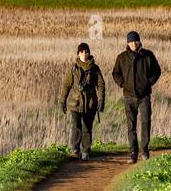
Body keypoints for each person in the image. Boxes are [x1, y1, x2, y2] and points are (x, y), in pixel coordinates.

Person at [112, 30, 162, 163]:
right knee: (131, 126)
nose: (134, 43)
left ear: (139, 41)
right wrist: (122, 84)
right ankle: (133, 153)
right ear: (127, 43)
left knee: (146, 123)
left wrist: (148, 83)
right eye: (131, 41)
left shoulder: (148, 55)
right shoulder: (121, 57)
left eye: (135, 41)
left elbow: (157, 71)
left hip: (144, 96)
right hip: (129, 97)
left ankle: (144, 151)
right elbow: (115, 73)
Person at [59, 42, 105, 160]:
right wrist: (62, 101)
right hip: (75, 103)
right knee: (76, 126)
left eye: (86, 51)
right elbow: (66, 85)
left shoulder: (95, 68)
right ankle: (75, 150)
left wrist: (101, 99)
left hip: (90, 104)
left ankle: (86, 151)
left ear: (89, 53)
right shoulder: (73, 68)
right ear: (78, 54)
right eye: (82, 52)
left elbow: (101, 85)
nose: (84, 54)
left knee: (87, 128)